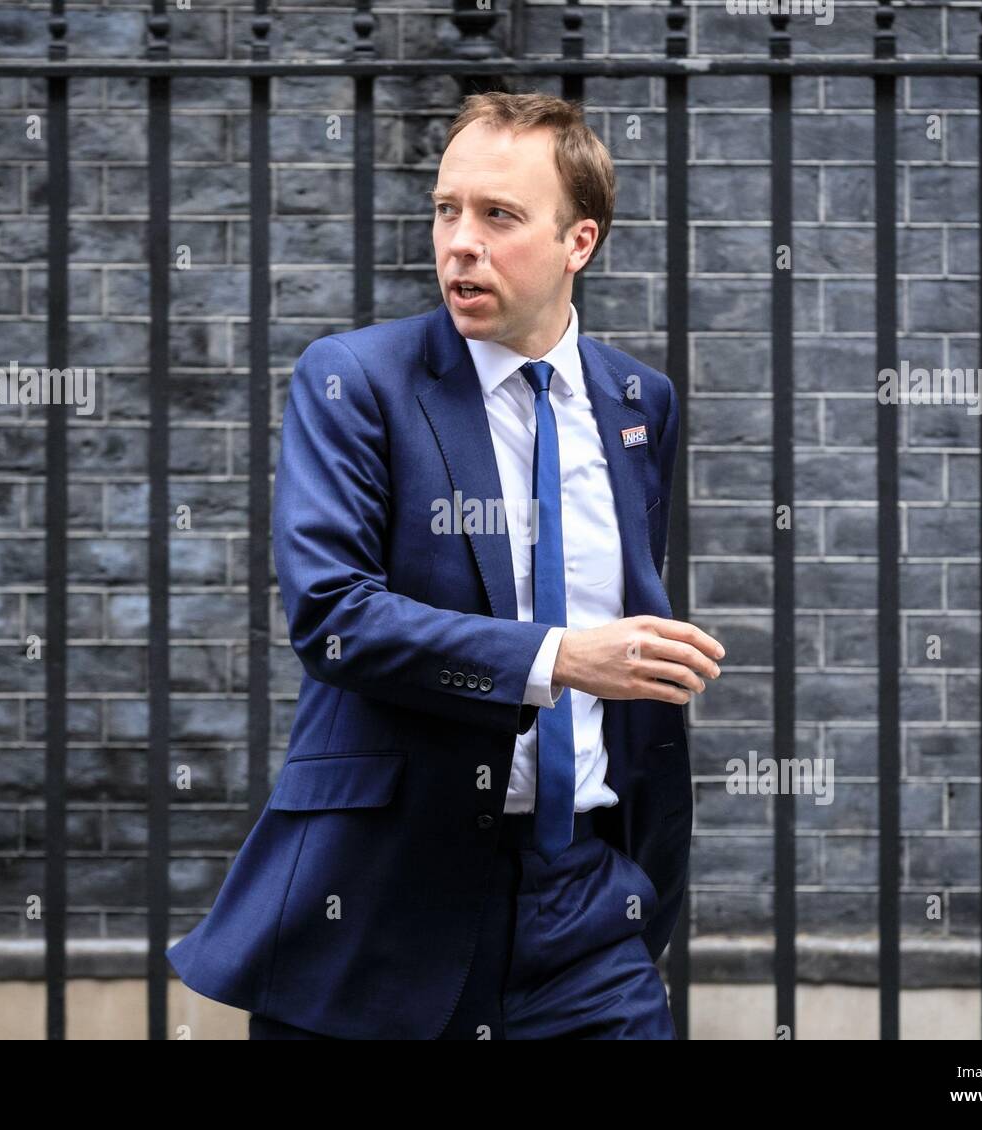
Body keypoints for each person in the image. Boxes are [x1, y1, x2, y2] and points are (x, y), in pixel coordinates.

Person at [166, 90, 724, 1040]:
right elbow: (335, 619)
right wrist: (556, 659)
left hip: (584, 903)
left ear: (578, 242)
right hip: (386, 900)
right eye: (446, 210)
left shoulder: (640, 403)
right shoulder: (357, 383)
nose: (459, 241)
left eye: (498, 216)